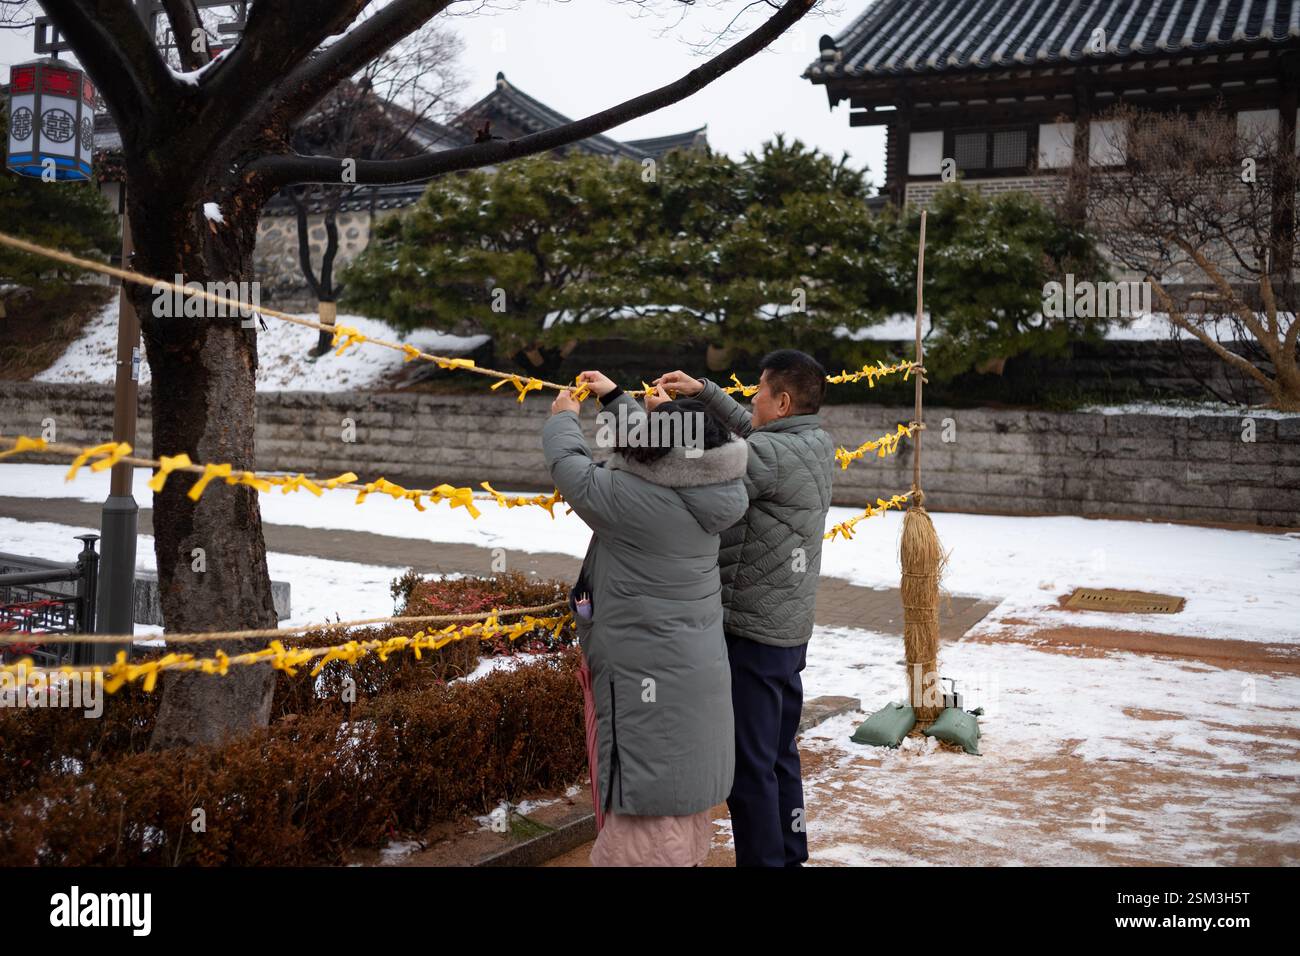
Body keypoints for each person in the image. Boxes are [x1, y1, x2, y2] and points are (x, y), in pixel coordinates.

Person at [543, 371, 750, 866]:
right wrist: (614, 398)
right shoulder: (710, 486)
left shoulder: (632, 497)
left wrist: (562, 421)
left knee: (647, 827)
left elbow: (573, 469)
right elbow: (658, 449)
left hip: (648, 674)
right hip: (692, 669)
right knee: (679, 806)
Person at [655, 350, 835, 867]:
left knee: (747, 767)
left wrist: (664, 417)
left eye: (757, 390)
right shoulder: (813, 441)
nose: (751, 398)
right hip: (787, 630)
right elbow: (752, 435)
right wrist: (704, 393)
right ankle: (789, 853)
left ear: (781, 402)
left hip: (753, 632)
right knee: (777, 753)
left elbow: (706, 467)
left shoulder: (770, 456)